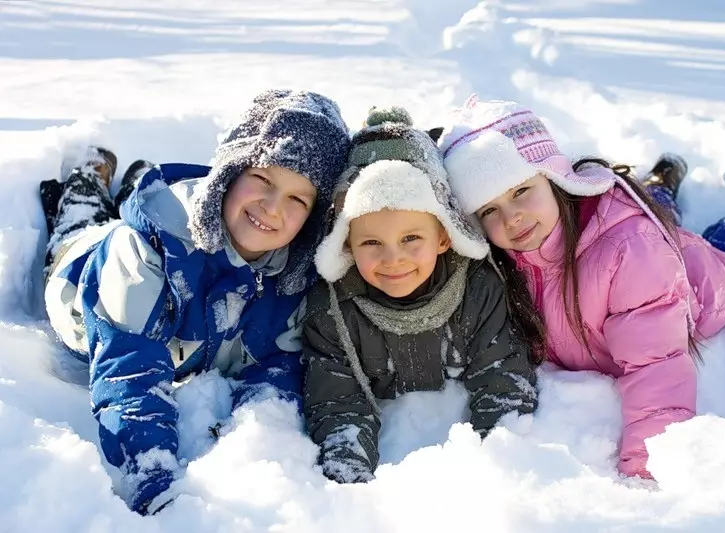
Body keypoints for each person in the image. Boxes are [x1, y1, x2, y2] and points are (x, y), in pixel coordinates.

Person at [438, 95, 725, 479]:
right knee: (655, 210)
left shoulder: (632, 255)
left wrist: (647, 470)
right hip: (635, 241)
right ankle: (659, 186)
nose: (512, 217)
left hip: (699, 276)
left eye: (520, 191)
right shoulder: (502, 261)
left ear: (554, 178)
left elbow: (656, 368)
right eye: (488, 209)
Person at [42, 89, 351, 513]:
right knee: (83, 230)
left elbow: (278, 366)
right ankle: (86, 186)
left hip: (188, 318)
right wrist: (155, 483)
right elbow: (129, 376)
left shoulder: (292, 274)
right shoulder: (141, 253)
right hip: (85, 279)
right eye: (262, 179)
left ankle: (136, 182)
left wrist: (259, 442)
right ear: (229, 172)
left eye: (298, 198)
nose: (273, 206)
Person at [303, 106, 539, 484]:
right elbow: (337, 404)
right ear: (347, 244)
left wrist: (498, 469)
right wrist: (347, 486)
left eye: (411, 238)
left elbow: (503, 378)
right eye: (371, 242)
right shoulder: (333, 311)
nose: (393, 259)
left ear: (444, 236)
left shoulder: (477, 289)